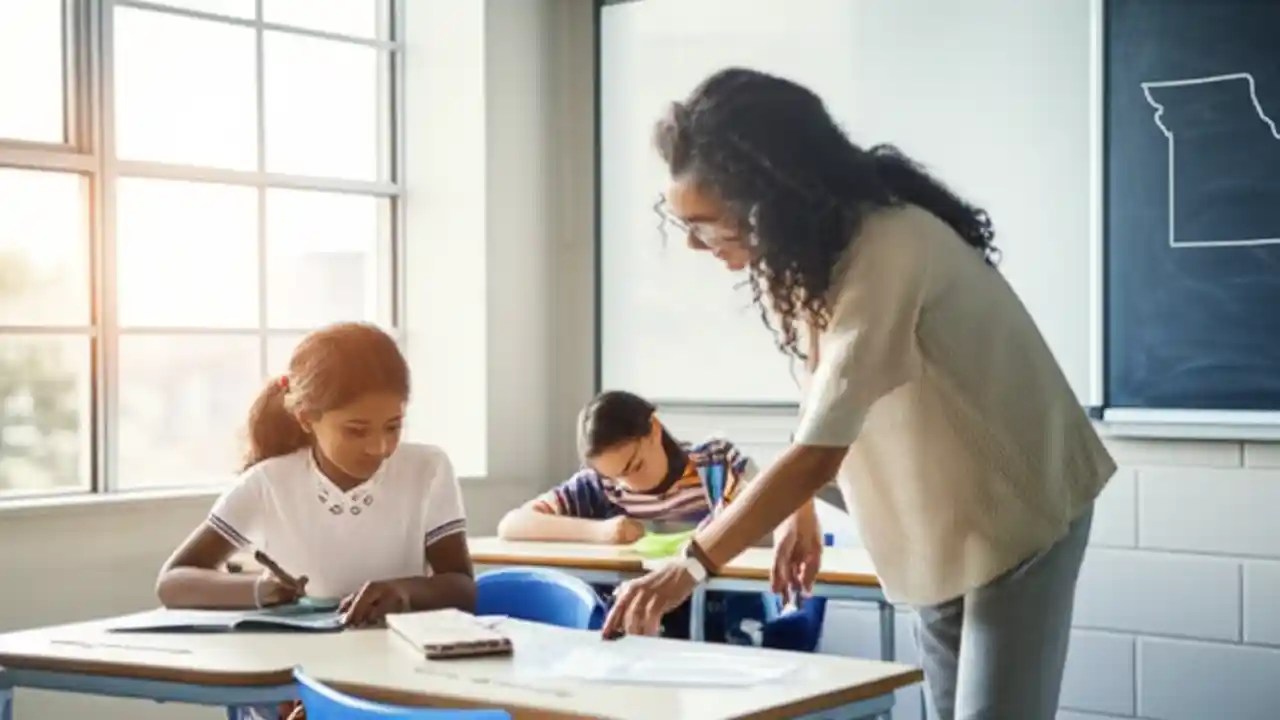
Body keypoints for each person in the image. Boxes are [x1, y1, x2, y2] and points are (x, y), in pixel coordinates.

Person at [601, 68, 1115, 720]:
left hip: (1018, 503)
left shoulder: (890, 245)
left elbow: (820, 450)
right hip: (941, 517)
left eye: (708, 226)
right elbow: (820, 399)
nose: (697, 246)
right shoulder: (799, 261)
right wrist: (800, 513)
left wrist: (689, 566)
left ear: (769, 198)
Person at [155, 322, 474, 720]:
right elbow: (173, 582)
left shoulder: (428, 469)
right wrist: (258, 590)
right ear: (307, 418)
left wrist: (405, 592)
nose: (380, 447)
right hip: (295, 685)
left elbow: (462, 588)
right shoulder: (269, 482)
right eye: (356, 430)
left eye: (394, 426)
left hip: (395, 683)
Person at [498, 389, 806, 641]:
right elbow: (512, 524)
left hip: (723, 617)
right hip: (644, 629)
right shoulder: (601, 486)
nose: (627, 484)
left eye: (634, 466)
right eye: (614, 476)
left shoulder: (715, 465)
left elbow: (781, 503)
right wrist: (602, 532)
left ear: (654, 430)